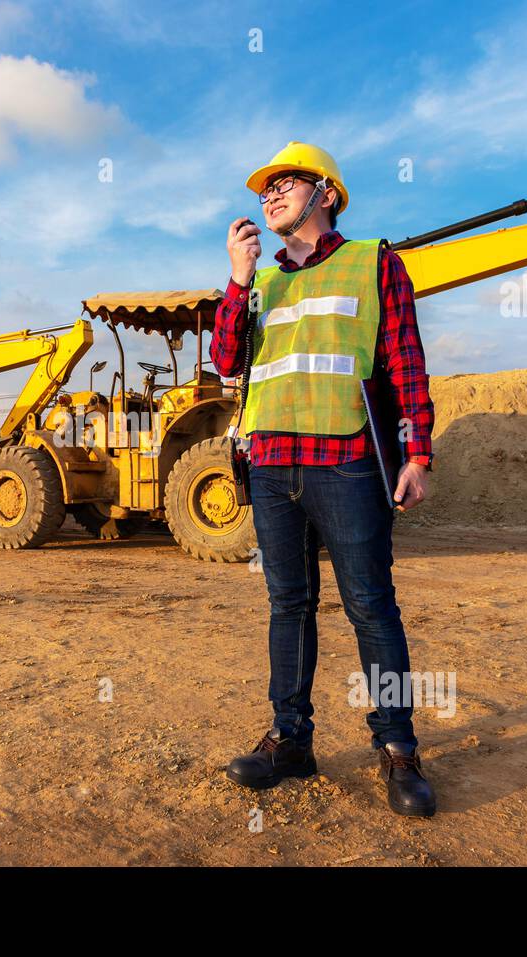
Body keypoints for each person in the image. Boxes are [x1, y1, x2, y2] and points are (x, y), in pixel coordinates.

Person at [210, 141, 438, 817]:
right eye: (264, 189)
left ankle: (398, 747)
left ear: (326, 193)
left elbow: (406, 364)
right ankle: (290, 740)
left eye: (286, 183)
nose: (271, 194)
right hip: (273, 464)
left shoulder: (375, 263)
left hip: (348, 462)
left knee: (371, 605)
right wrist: (238, 277)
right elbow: (225, 361)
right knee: (288, 605)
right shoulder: (261, 282)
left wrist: (416, 453)